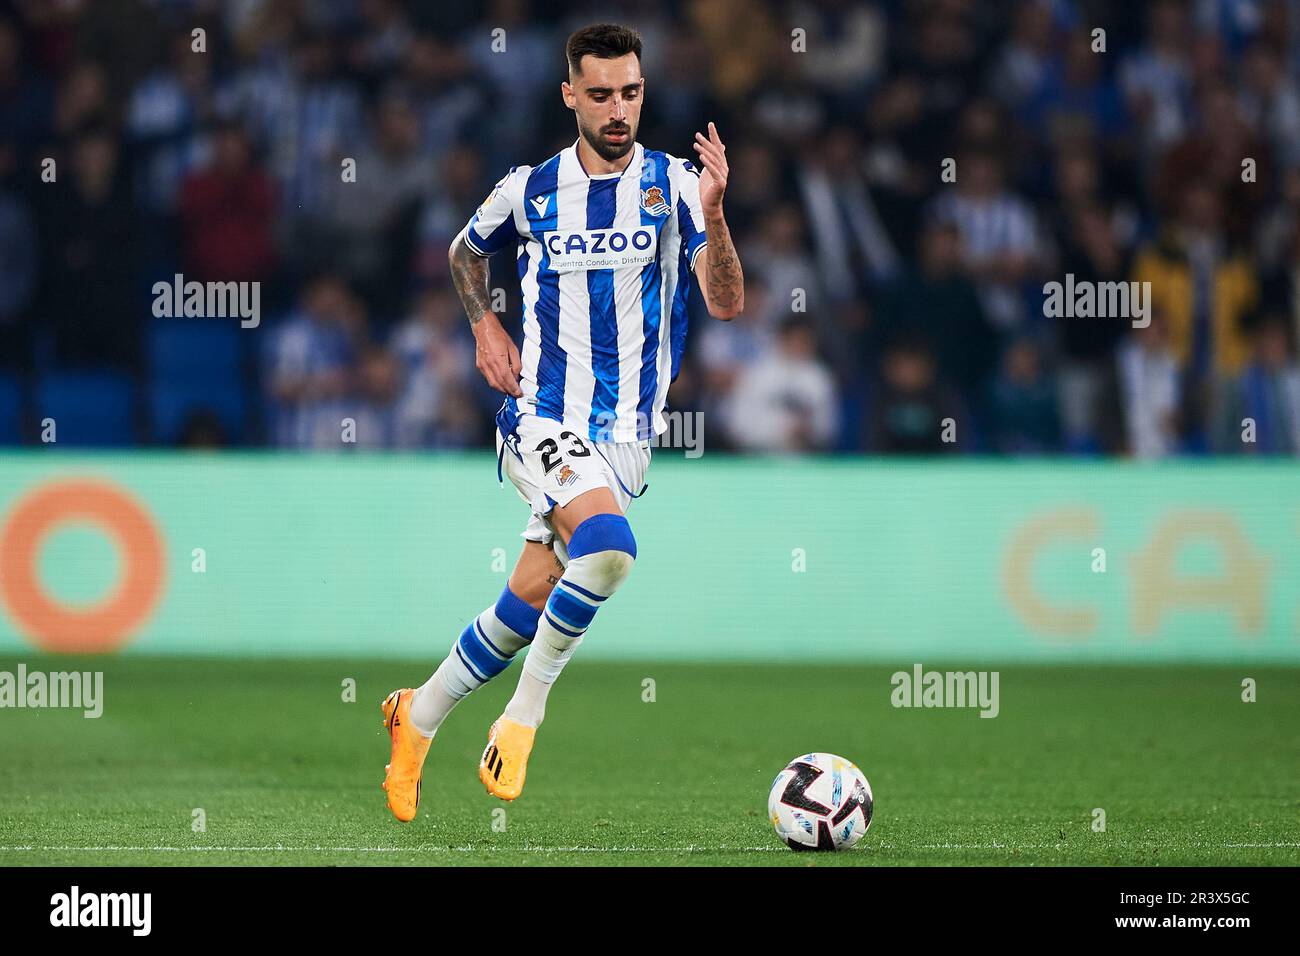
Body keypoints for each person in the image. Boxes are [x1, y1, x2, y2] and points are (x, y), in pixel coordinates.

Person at [381, 23, 744, 821]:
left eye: (633, 92)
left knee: (526, 605)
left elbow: (724, 301)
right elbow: (462, 253)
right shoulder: (529, 189)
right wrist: (484, 325)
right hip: (541, 416)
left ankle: (420, 715)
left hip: (626, 440)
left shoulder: (678, 186)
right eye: (603, 94)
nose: (620, 109)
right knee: (611, 551)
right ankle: (524, 718)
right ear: (570, 95)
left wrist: (715, 218)